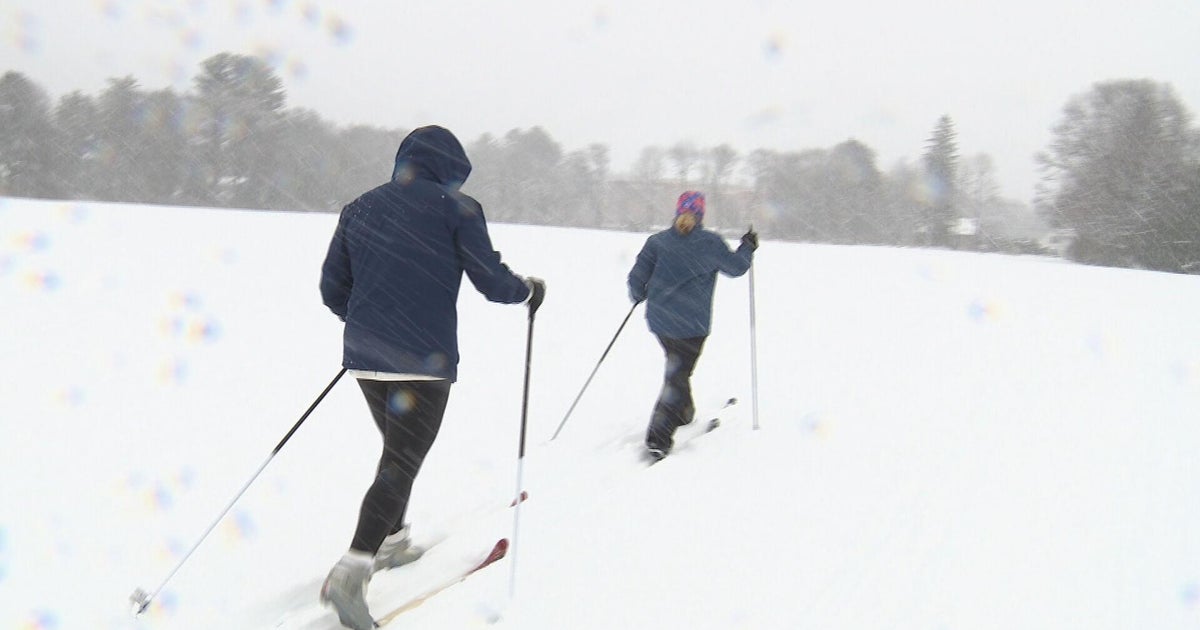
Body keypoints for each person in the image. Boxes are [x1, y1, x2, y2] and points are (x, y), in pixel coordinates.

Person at [317, 125, 545, 630]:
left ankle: (393, 542)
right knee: (401, 460)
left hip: (366, 358)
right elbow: (489, 279)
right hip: (422, 364)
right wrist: (527, 291)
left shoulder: (361, 207)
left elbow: (333, 288)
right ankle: (351, 572)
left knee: (396, 452)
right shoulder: (457, 209)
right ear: (452, 168)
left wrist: (367, 323)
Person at [627, 191, 756, 460]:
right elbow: (736, 268)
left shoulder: (658, 242)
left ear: (677, 212)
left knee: (678, 369)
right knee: (676, 376)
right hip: (692, 325)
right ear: (701, 214)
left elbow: (636, 279)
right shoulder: (710, 243)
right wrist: (747, 247)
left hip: (661, 322)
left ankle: (684, 412)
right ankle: (658, 438)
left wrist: (639, 294)